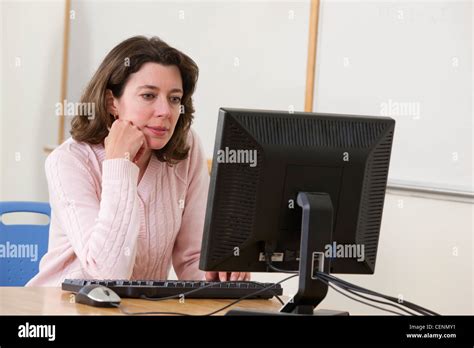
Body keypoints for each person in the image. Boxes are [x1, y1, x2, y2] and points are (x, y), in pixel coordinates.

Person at [27, 36, 249, 286]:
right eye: (148, 96)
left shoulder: (187, 148)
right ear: (112, 102)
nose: (165, 111)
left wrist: (221, 275)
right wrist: (119, 164)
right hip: (63, 306)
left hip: (140, 309)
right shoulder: (68, 161)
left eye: (174, 98)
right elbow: (108, 274)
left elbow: (193, 258)